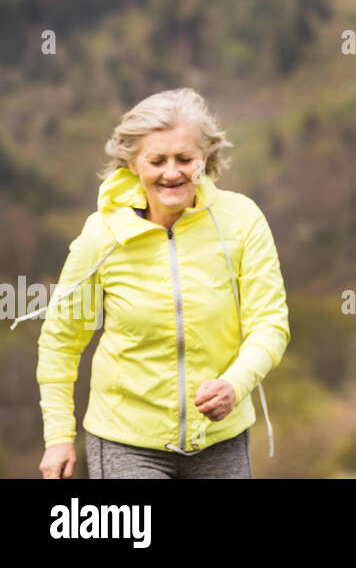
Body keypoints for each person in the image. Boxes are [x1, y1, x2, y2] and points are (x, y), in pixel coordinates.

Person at [20, 88, 290, 479]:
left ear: (206, 159)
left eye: (185, 159)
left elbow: (270, 324)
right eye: (157, 160)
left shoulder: (242, 220)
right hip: (125, 442)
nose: (172, 172)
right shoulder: (102, 234)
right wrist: (59, 435)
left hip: (220, 439)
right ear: (132, 164)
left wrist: (234, 385)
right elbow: (61, 340)